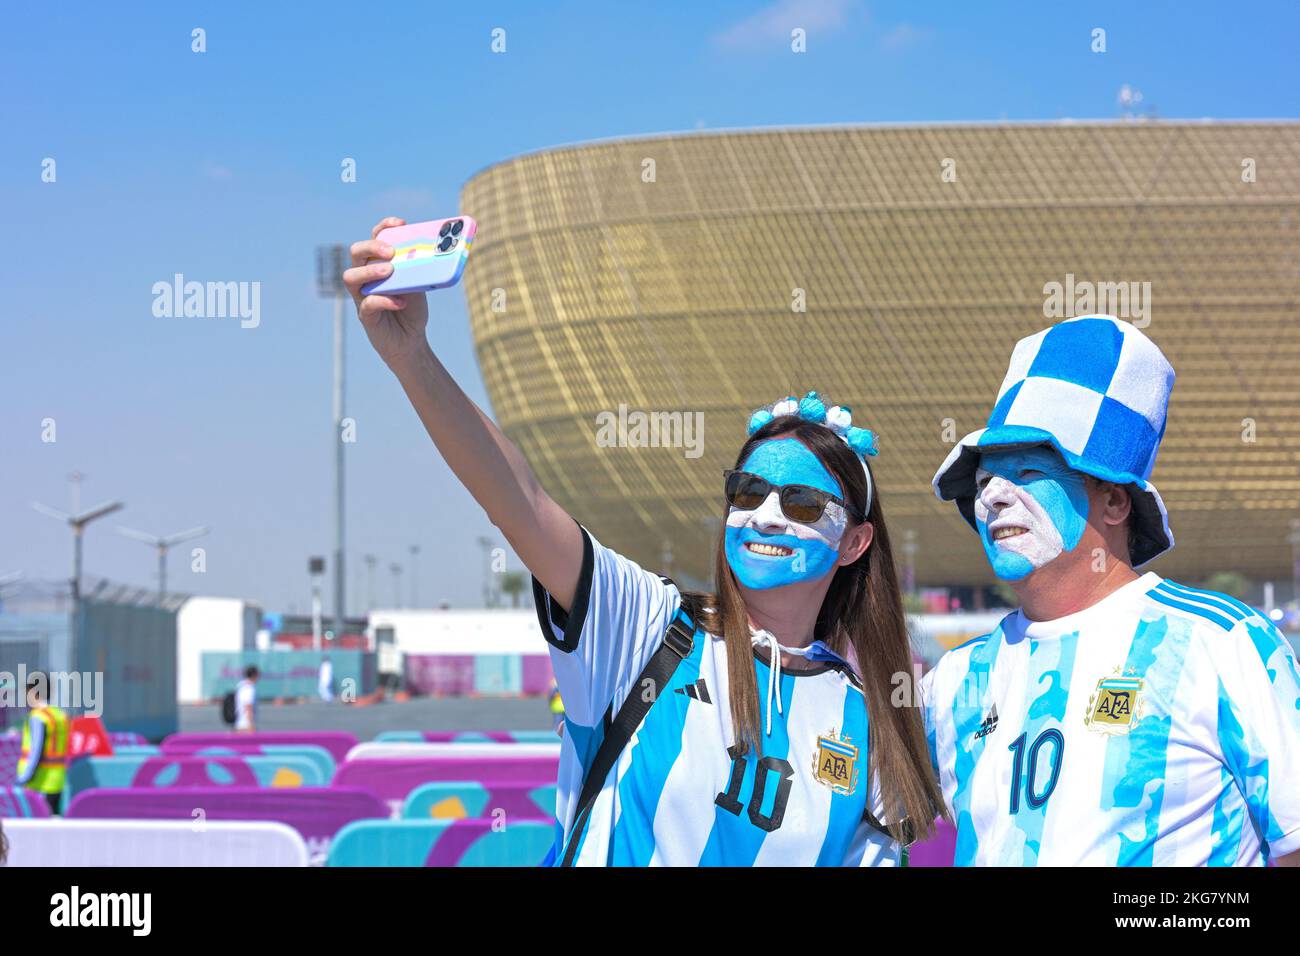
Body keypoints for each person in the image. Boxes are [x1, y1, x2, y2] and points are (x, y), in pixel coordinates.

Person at [344, 217, 943, 866]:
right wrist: (412, 361)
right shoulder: (648, 628)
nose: (766, 516)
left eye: (800, 503)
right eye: (745, 492)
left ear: (855, 543)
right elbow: (520, 502)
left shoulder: (866, 719)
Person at [923, 314, 1300, 866]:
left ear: (1116, 502)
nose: (994, 497)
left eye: (1028, 472)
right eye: (983, 480)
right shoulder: (953, 679)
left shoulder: (1224, 643)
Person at [16, 672, 69, 816]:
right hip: (57, 781)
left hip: (39, 782)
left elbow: (36, 751)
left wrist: (24, 778)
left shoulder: (38, 717)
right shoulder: (59, 715)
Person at [234, 665, 259, 733]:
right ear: (254, 675)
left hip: (239, 724)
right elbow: (248, 706)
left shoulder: (240, 686)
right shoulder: (249, 688)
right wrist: (250, 725)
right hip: (245, 726)